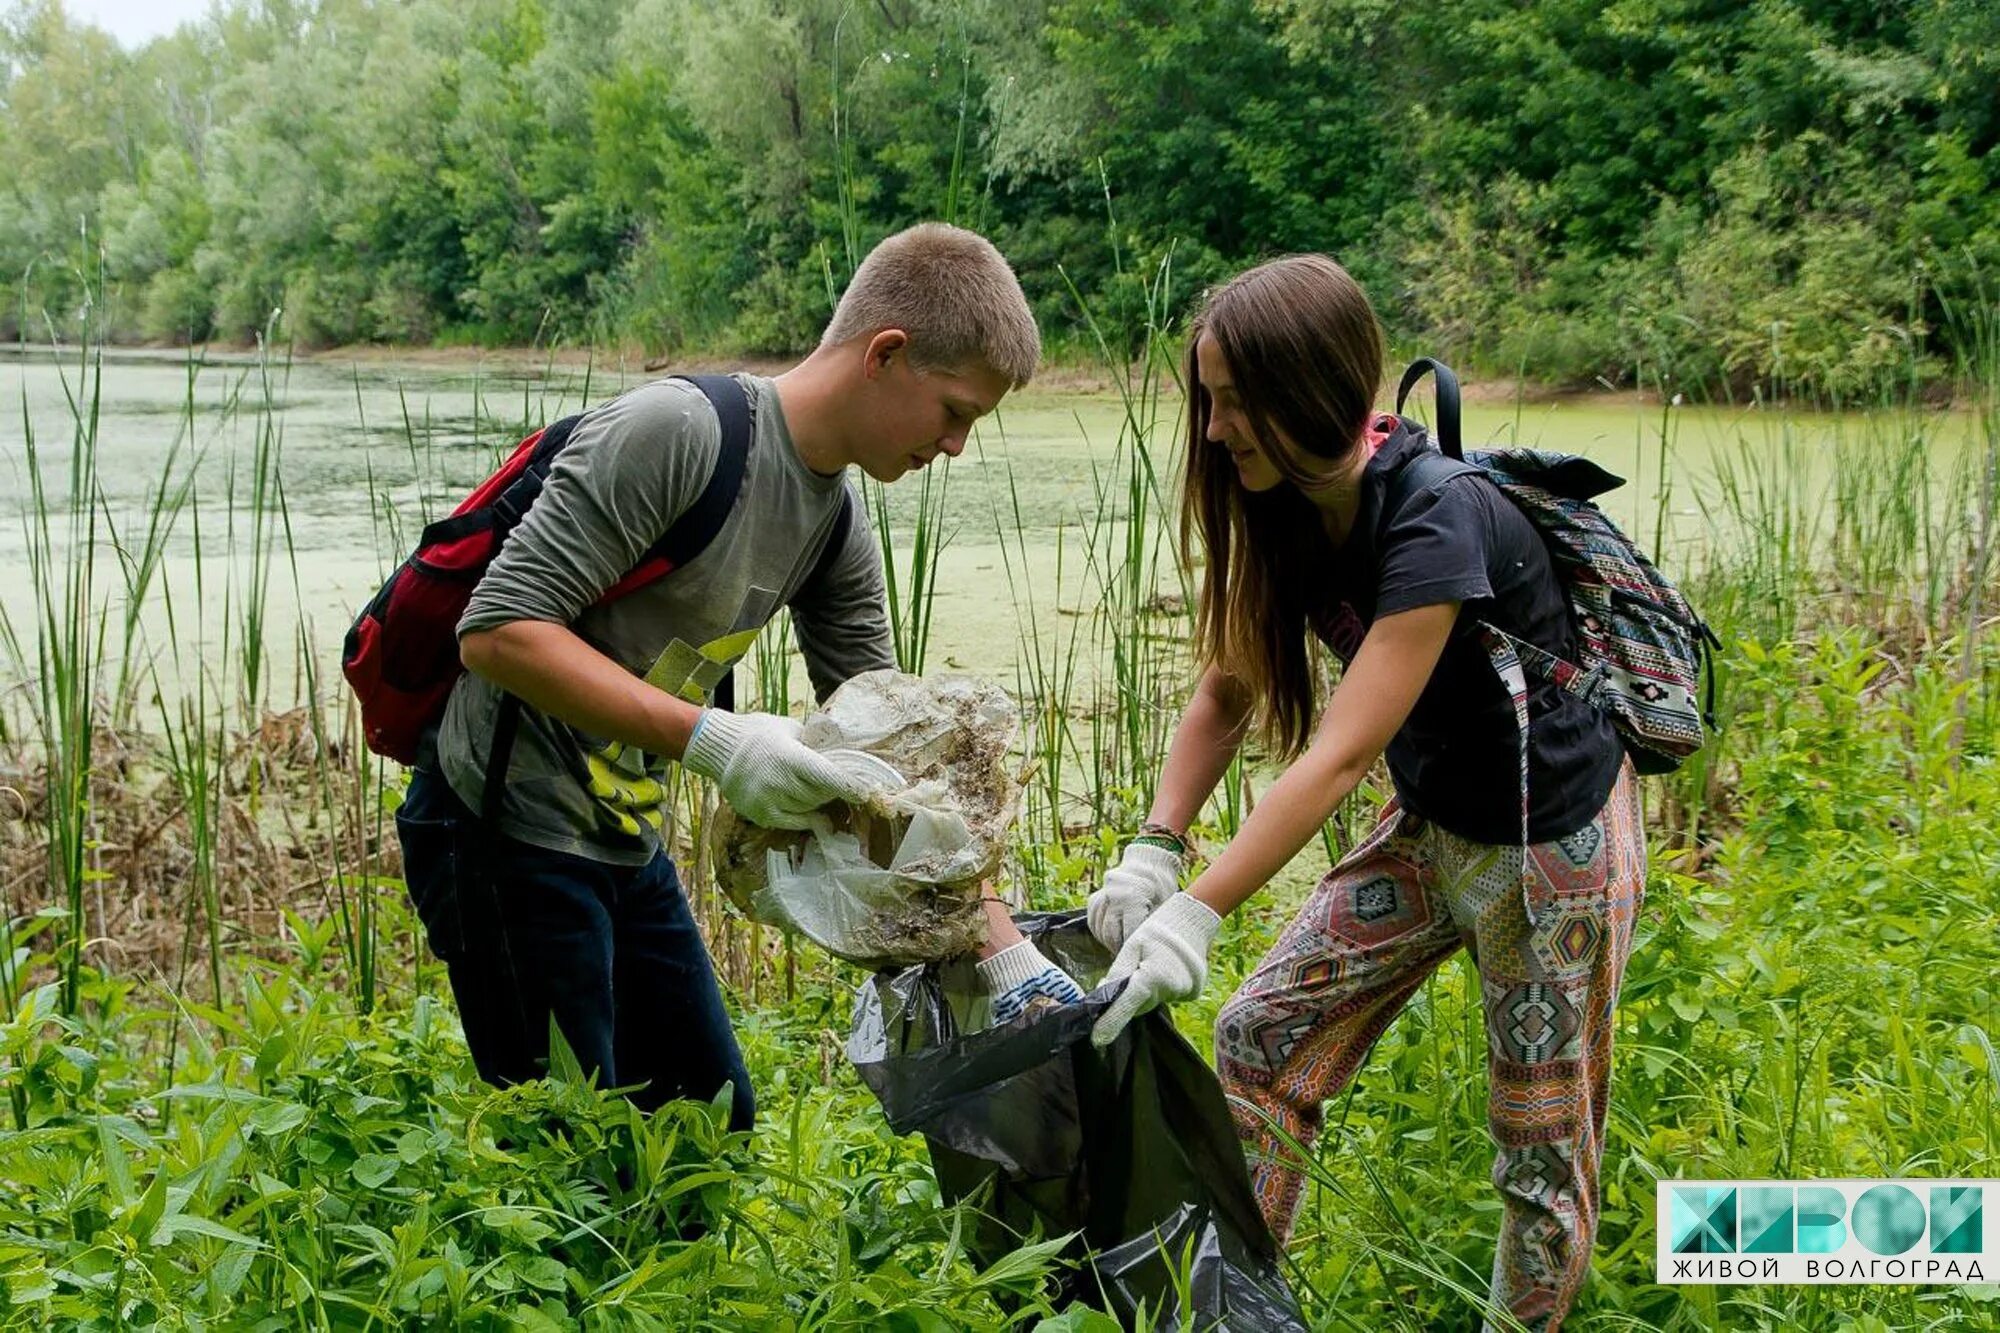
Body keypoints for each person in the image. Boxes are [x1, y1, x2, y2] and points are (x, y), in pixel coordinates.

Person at [394, 223, 1077, 1130]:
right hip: (500, 827)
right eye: (955, 411)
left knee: (712, 1124)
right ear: (887, 353)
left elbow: (899, 767)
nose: (956, 446)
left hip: (622, 833)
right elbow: (500, 632)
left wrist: (1007, 957)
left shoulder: (834, 525)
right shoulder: (678, 432)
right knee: (569, 1155)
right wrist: (715, 742)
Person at [1085, 254, 1644, 1331]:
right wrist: (1153, 846)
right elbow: (1224, 691)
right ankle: (1234, 1313)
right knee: (1259, 1039)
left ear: (1307, 390)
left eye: (1236, 402)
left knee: (1537, 1155)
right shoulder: (1284, 503)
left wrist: (1196, 913)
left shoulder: (1437, 517)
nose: (1214, 429)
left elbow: (1338, 753)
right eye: (1208, 400)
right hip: (1433, 822)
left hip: (1547, 852)